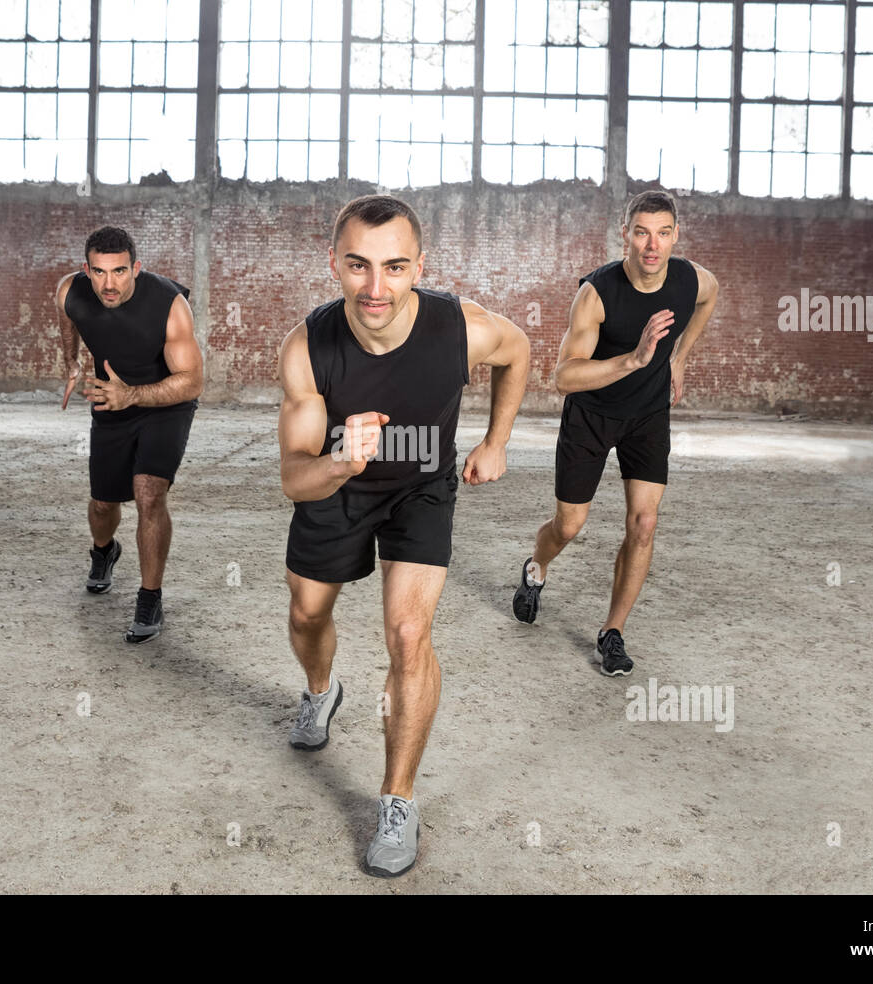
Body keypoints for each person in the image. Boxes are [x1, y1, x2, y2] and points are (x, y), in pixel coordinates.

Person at [278, 195, 529, 877]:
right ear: (335, 263)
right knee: (308, 613)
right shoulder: (307, 347)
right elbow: (294, 480)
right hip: (338, 486)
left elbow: (520, 350)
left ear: (420, 265)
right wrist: (339, 460)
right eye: (358, 266)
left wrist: (497, 440)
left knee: (409, 636)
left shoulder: (460, 329)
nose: (375, 287)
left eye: (394, 267)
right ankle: (321, 689)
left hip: (421, 489)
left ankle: (397, 799)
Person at [512, 189, 719, 676]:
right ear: (625, 234)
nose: (653, 245)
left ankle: (612, 632)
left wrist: (680, 358)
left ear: (675, 237)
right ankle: (534, 570)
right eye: (643, 232)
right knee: (568, 526)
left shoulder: (690, 279)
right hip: (592, 414)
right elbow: (564, 377)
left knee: (644, 524)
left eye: (664, 233)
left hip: (647, 416)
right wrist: (635, 359)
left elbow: (712, 294)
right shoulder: (597, 293)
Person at [55, 226, 203, 643]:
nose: (109, 283)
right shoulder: (70, 291)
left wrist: (132, 394)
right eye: (99, 272)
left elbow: (192, 381)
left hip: (166, 403)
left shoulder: (169, 304)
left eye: (119, 271)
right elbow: (69, 320)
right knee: (103, 503)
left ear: (135, 267)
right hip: (110, 400)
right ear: (86, 270)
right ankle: (104, 551)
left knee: (149, 492)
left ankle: (149, 596)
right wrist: (71, 364)